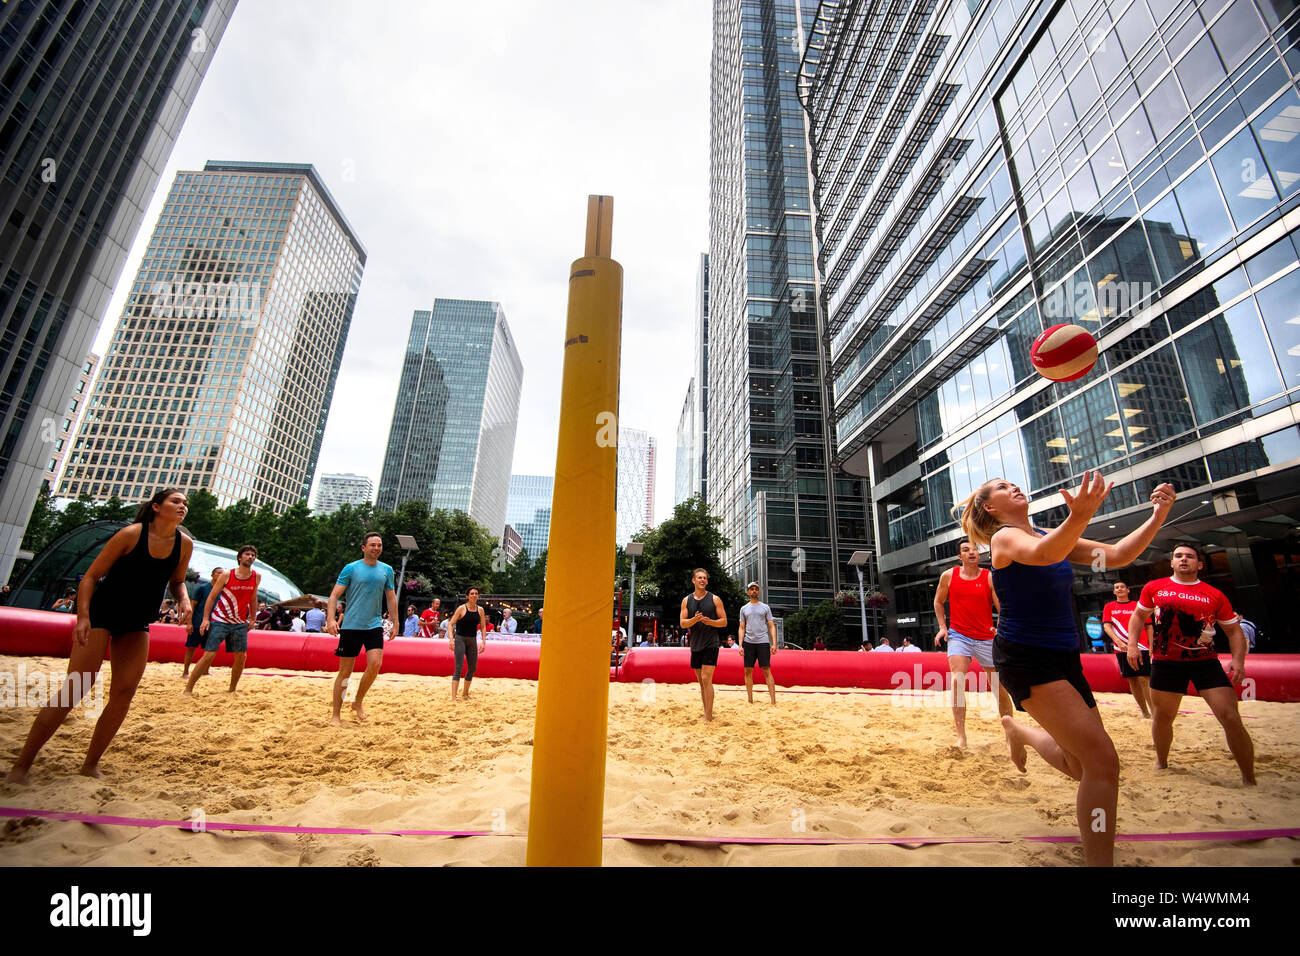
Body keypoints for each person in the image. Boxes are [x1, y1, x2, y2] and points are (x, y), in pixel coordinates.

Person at [959, 473, 1175, 867]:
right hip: (1027, 658)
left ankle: (1020, 731)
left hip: (1064, 655)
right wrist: (1080, 515)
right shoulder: (1003, 539)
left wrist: (1158, 514)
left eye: (1013, 482)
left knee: (1081, 765)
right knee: (1103, 763)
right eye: (1003, 488)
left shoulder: (1051, 534)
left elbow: (1118, 555)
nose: (1014, 487)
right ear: (991, 507)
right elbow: (1043, 553)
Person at [7, 488, 194, 782]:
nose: (183, 506)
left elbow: (178, 580)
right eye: (176, 501)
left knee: (124, 692)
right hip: (101, 614)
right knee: (75, 687)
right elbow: (91, 576)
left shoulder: (184, 544)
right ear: (157, 507)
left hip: (136, 620)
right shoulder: (131, 535)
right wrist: (82, 617)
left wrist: (183, 599)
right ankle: (22, 765)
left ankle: (90, 764)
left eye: (185, 503)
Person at [1128, 544, 1255, 785]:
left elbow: (1233, 631)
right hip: (1166, 663)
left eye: (1189, 556)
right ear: (1172, 563)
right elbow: (1138, 616)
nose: (1183, 559)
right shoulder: (1154, 587)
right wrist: (1133, 645)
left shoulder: (1214, 594)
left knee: (1230, 717)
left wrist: (1239, 661)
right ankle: (1162, 761)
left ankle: (1249, 777)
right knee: (1163, 718)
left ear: (1199, 564)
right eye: (1178, 556)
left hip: (1205, 663)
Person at [933, 540, 1013, 748]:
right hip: (959, 635)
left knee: (999, 685)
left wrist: (1000, 627)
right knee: (958, 680)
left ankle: (1009, 732)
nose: (972, 553)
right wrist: (943, 627)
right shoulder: (949, 576)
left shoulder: (989, 577)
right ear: (960, 557)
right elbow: (938, 601)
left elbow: (1001, 606)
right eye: (966, 550)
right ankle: (962, 736)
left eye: (975, 549)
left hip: (986, 637)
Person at [326, 532, 397, 725]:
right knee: (345, 672)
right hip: (351, 625)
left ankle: (357, 702)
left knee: (375, 664)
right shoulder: (351, 568)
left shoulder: (387, 570)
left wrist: (395, 622)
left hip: (373, 624)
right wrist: (331, 619)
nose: (376, 548)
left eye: (379, 545)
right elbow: (333, 597)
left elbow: (391, 597)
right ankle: (336, 714)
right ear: (364, 548)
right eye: (372, 545)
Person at [185, 545, 261, 696]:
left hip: (239, 622)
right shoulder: (227, 575)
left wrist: (253, 618)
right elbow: (211, 597)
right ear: (240, 557)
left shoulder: (256, 576)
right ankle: (189, 688)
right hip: (220, 620)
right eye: (247, 554)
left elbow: (253, 599)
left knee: (241, 657)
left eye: (253, 555)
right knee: (209, 655)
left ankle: (232, 689)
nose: (250, 557)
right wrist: (206, 619)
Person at [680, 568, 727, 722]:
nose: (702, 580)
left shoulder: (715, 599)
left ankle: (708, 716)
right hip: (695, 644)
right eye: (699, 577)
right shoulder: (686, 600)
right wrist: (694, 620)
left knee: (707, 679)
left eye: (705, 578)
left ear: (707, 581)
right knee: (701, 682)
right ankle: (706, 710)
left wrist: (710, 622)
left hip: (711, 643)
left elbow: (724, 621)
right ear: (693, 580)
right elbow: (682, 623)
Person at [1103, 581, 1151, 717]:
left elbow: (1149, 626)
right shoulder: (1109, 606)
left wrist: (1151, 645)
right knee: (1133, 680)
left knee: (1145, 678)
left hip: (1141, 646)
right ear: (1114, 592)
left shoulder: (1137, 605)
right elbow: (1107, 627)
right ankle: (1145, 712)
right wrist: (1118, 641)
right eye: (1116, 588)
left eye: (1122, 587)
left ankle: (1154, 711)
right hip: (1121, 648)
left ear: (1128, 590)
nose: (1119, 589)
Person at [739, 581, 777, 705]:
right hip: (748, 642)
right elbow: (742, 627)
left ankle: (773, 701)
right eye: (752, 589)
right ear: (748, 592)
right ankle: (750, 700)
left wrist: (774, 643)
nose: (754, 590)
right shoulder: (744, 608)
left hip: (763, 642)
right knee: (747, 670)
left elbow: (771, 625)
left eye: (756, 589)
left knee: (767, 670)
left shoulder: (765, 607)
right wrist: (740, 645)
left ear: (759, 592)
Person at [447, 587, 488, 700]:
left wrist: (484, 641)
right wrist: (451, 639)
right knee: (458, 668)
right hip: (460, 639)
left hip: (472, 640)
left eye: (476, 594)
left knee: (472, 667)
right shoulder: (461, 608)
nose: (474, 595)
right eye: (472, 594)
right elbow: (450, 625)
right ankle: (454, 697)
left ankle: (465, 693)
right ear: (467, 596)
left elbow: (483, 626)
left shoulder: (480, 610)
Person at [182, 566, 223, 679]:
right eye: (218, 573)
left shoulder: (222, 590)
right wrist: (189, 623)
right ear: (212, 575)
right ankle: (185, 672)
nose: (220, 575)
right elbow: (192, 606)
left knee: (210, 648)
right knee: (191, 647)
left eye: (222, 573)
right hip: (197, 622)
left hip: (214, 624)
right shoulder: (203, 588)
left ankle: (206, 671)